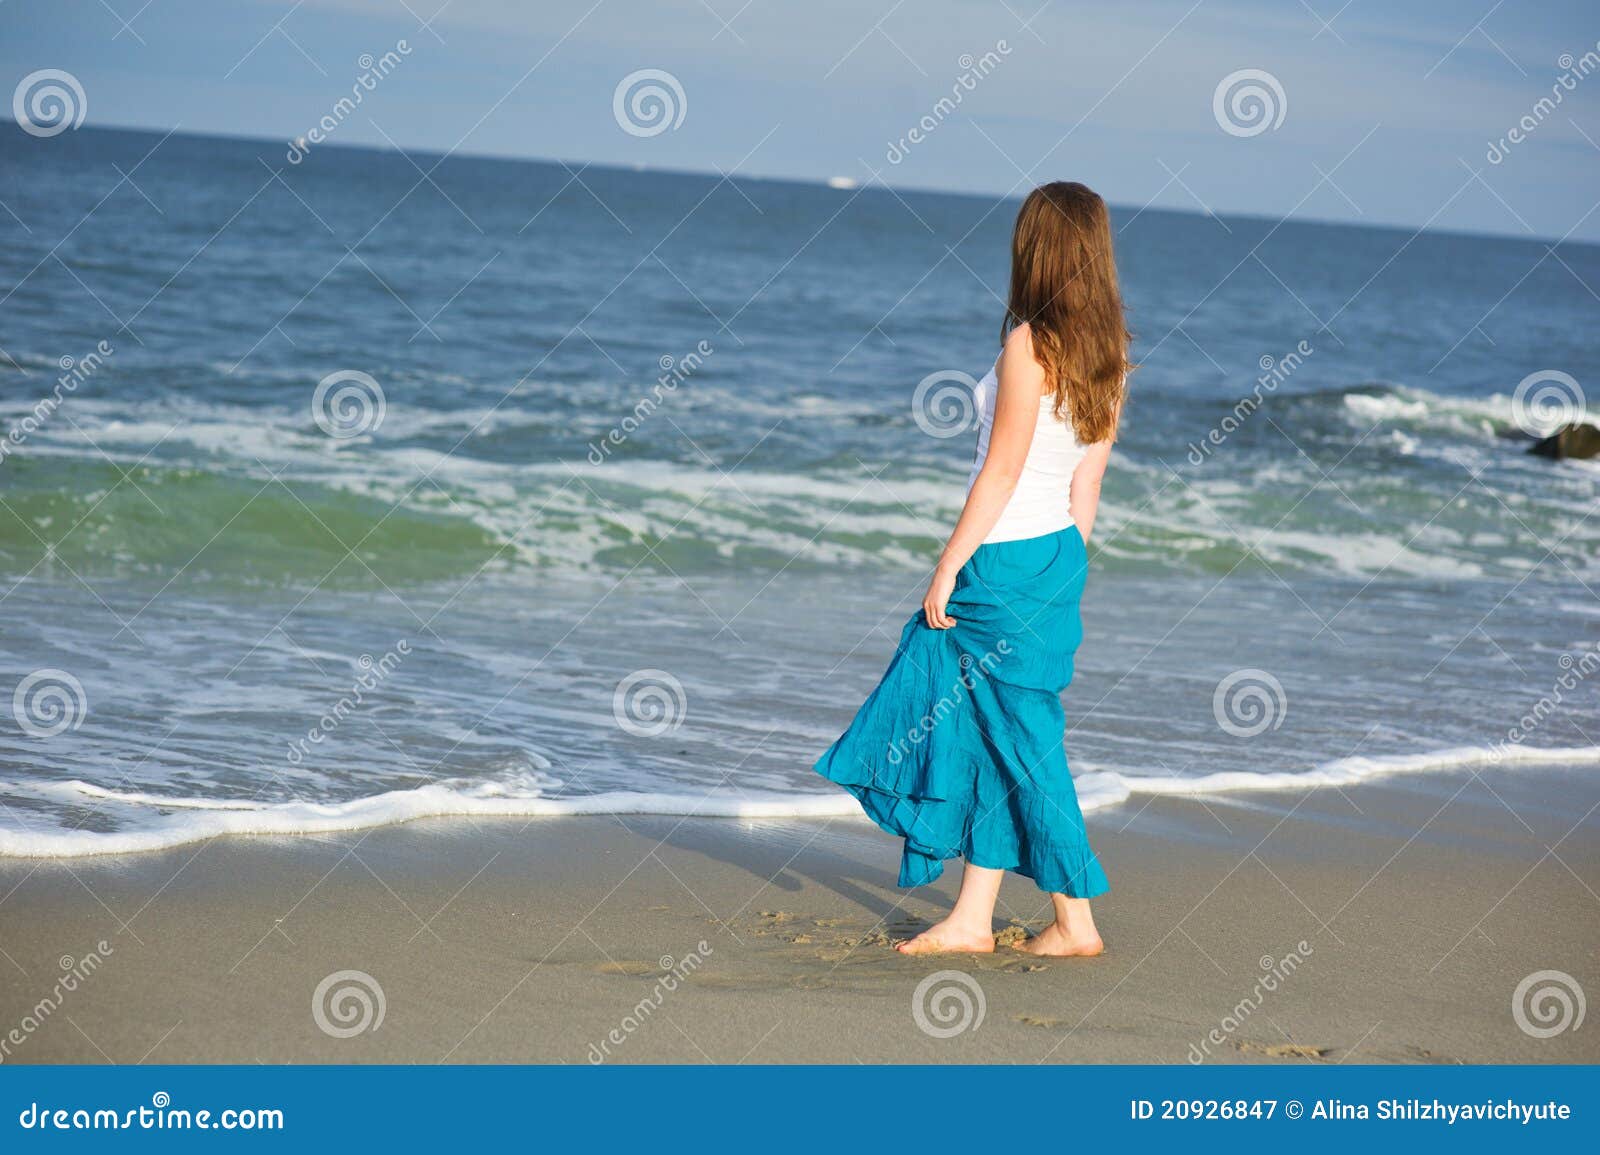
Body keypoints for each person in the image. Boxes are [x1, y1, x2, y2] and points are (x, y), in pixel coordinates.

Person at [814, 181, 1131, 956]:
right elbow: (1085, 481)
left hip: (1005, 558)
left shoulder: (1029, 344)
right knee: (987, 727)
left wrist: (949, 566)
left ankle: (1076, 920)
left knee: (1024, 739)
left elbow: (1001, 469)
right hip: (1058, 552)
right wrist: (1064, 567)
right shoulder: (1111, 353)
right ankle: (969, 916)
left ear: (1038, 249)